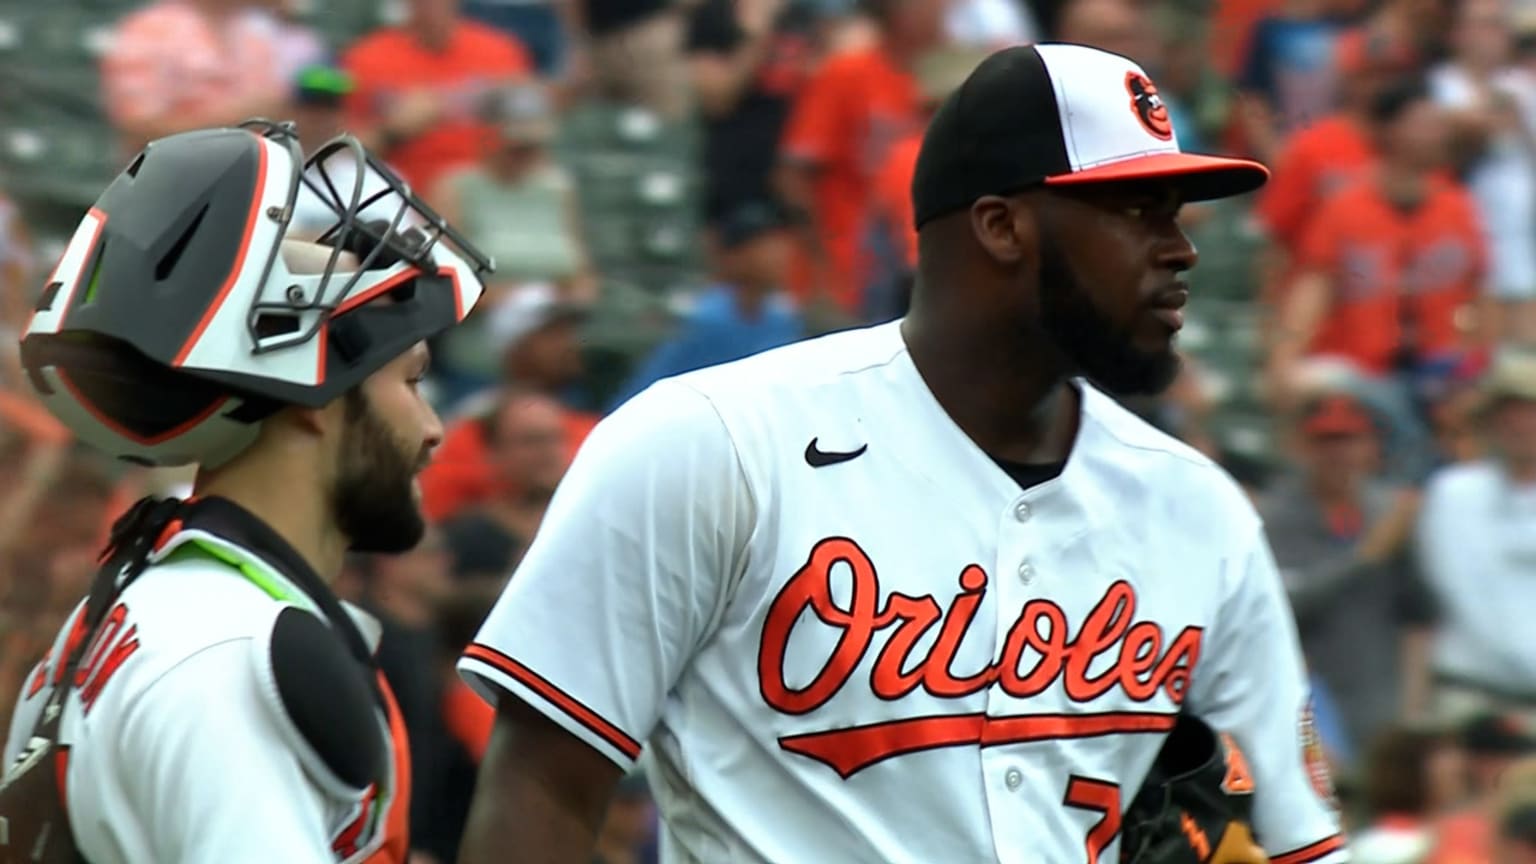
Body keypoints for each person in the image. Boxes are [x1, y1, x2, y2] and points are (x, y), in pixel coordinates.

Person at [455, 43, 1345, 863]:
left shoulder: (1203, 512)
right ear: (1001, 227)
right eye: (1135, 211)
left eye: (1176, 214)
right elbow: (540, 792)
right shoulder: (712, 443)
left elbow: (1294, 838)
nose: (1181, 249)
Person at [0, 120, 491, 862]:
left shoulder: (145, 604)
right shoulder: (236, 655)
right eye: (413, 382)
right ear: (314, 397)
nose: (432, 430)